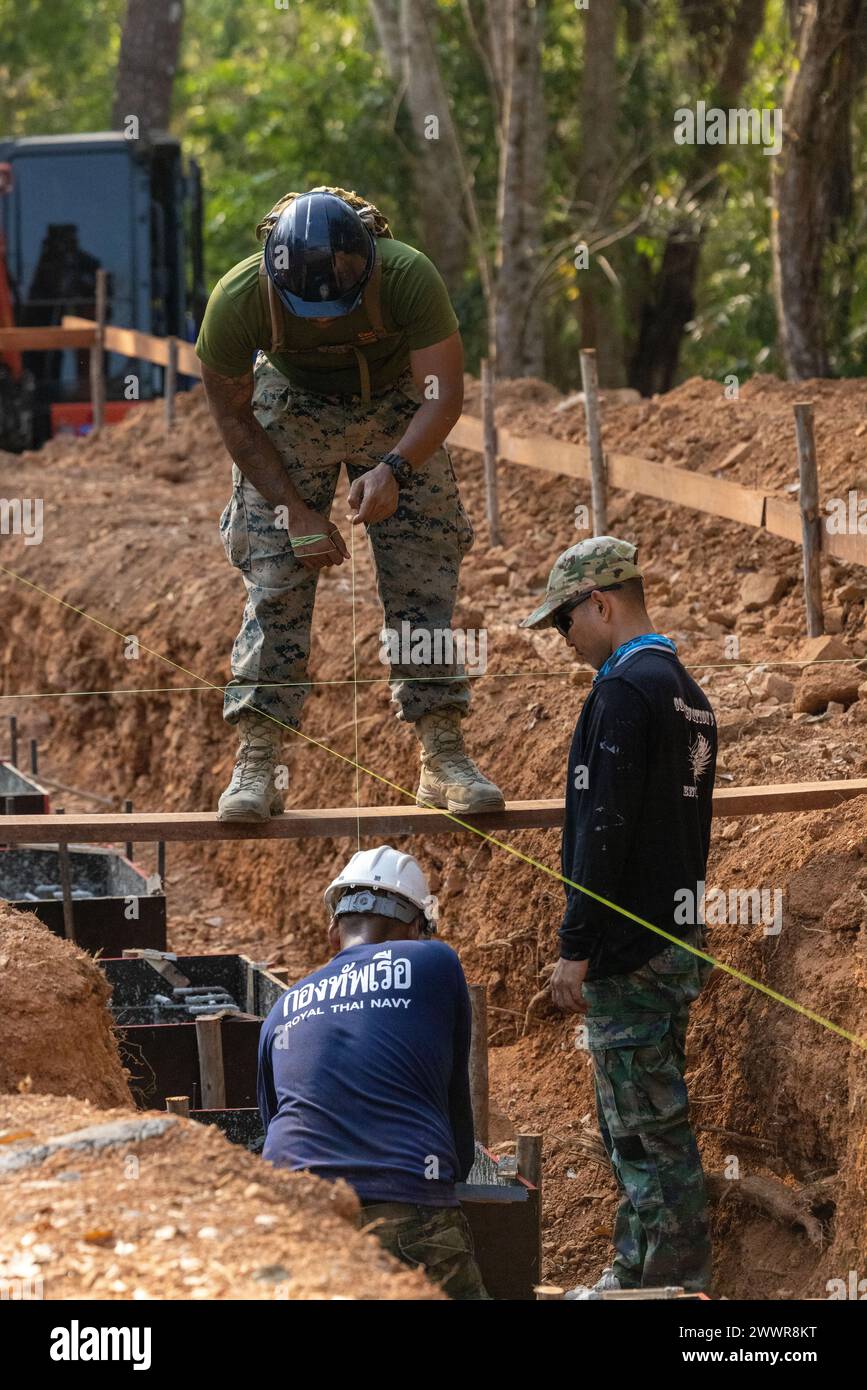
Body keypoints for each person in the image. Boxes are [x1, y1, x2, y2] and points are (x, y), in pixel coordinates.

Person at [195, 186, 504, 821]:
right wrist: (295, 512)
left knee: (422, 579)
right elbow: (234, 419)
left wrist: (394, 468)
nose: (323, 320)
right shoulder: (236, 300)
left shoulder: (410, 276)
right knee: (277, 578)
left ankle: (442, 753)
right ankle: (259, 761)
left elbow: (441, 397)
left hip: (395, 403)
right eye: (307, 308)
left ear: (369, 263)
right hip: (293, 406)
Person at [520, 536, 718, 1295]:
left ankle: (667, 1280)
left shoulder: (621, 692)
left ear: (599, 603)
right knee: (643, 1118)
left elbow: (604, 831)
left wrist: (575, 947)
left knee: (641, 1129)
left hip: (628, 949)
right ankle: (637, 1269)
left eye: (563, 622)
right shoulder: (686, 694)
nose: (563, 641)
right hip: (673, 940)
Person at [257, 844, 489, 1300]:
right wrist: (452, 1176)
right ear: (413, 927)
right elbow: (454, 1099)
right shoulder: (434, 962)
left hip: (293, 1218)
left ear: (333, 930)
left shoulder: (282, 1010)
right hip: (407, 1207)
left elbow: (274, 1126)